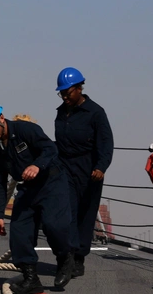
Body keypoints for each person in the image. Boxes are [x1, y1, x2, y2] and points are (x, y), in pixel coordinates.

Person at [0, 101, 75, 293]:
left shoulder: (26, 130)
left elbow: (50, 149)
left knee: (54, 225)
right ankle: (31, 278)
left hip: (51, 182)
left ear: (1, 119)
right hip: (28, 189)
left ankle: (65, 258)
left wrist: (37, 165)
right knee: (20, 231)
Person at [54, 67, 113, 278]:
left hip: (89, 171)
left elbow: (106, 143)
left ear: (79, 88)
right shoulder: (61, 112)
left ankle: (79, 258)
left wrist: (100, 167)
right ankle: (67, 256)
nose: (64, 96)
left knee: (85, 216)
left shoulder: (96, 113)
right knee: (66, 213)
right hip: (65, 169)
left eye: (67, 92)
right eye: (61, 92)